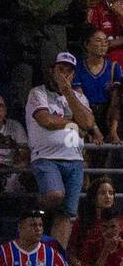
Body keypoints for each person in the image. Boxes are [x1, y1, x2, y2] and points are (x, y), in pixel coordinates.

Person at [27, 51, 98, 216]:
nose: (64, 74)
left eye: (69, 70)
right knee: (55, 195)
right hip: (47, 157)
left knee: (68, 214)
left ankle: (57, 242)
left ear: (73, 74)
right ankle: (32, 214)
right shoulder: (38, 93)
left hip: (75, 160)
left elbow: (87, 123)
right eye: (61, 69)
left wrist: (67, 91)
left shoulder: (79, 97)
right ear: (52, 70)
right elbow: (46, 120)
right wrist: (72, 122)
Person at [73, 29, 123, 165]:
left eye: (106, 42)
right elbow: (79, 101)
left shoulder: (113, 67)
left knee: (105, 161)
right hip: (85, 115)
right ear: (87, 45)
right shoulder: (78, 68)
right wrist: (91, 131)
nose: (103, 45)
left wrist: (112, 131)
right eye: (98, 41)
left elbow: (116, 104)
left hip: (107, 116)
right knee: (86, 161)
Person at [67, 177, 115, 266]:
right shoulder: (82, 222)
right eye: (102, 193)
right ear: (93, 197)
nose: (108, 197)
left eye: (111, 193)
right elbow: (71, 252)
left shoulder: (120, 222)